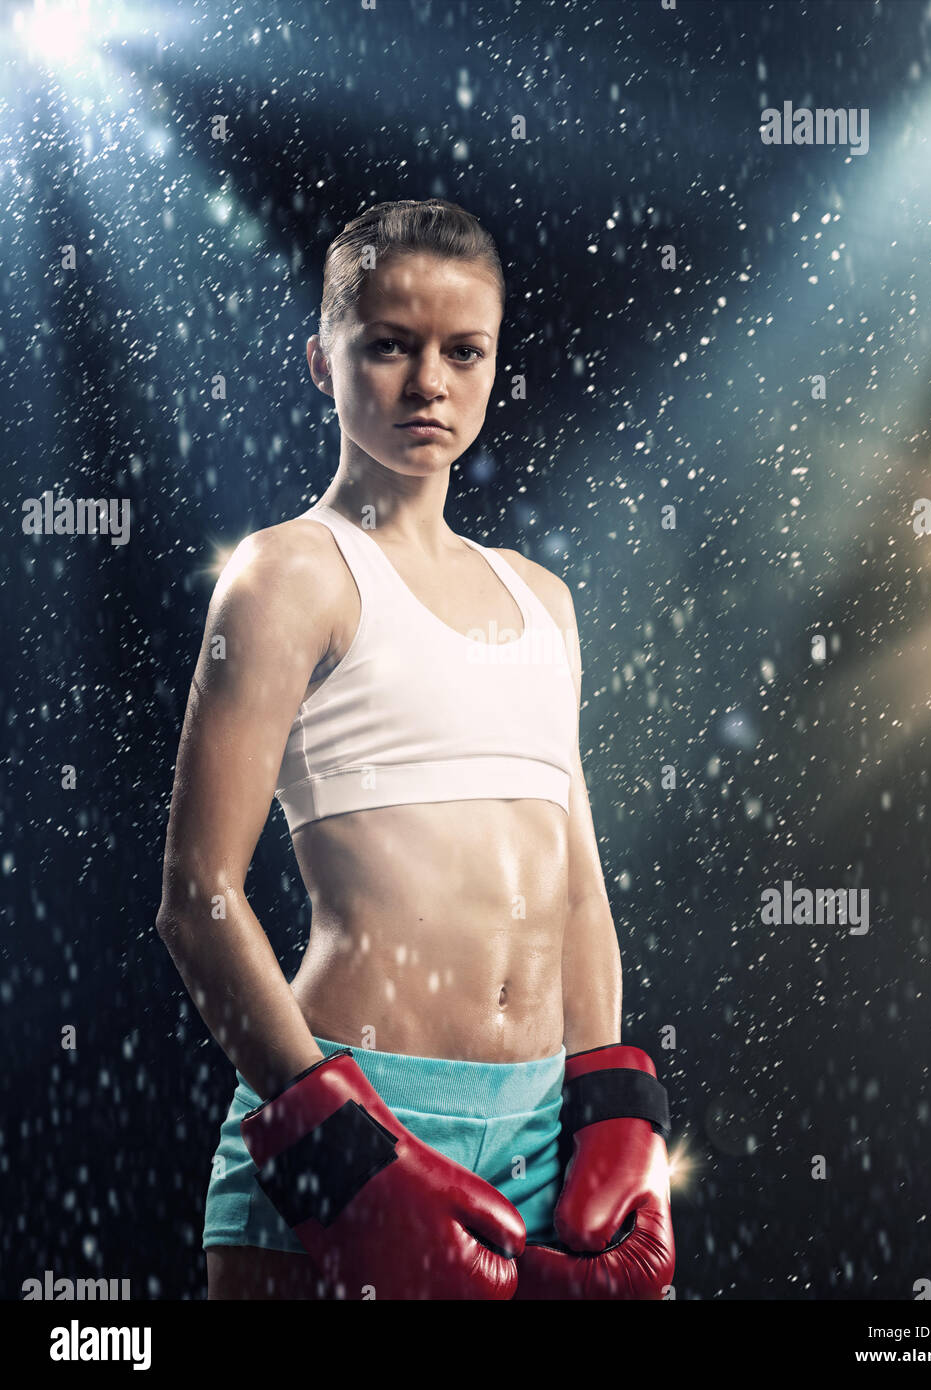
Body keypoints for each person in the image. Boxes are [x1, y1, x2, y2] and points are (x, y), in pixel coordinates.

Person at [154, 198, 675, 1300]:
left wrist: (613, 1114)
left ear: (493, 361)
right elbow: (195, 894)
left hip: (543, 1142)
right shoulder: (287, 574)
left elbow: (578, 895)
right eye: (388, 345)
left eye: (461, 350)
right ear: (321, 359)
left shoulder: (543, 601)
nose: (427, 381)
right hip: (348, 1108)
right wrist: (338, 1149)